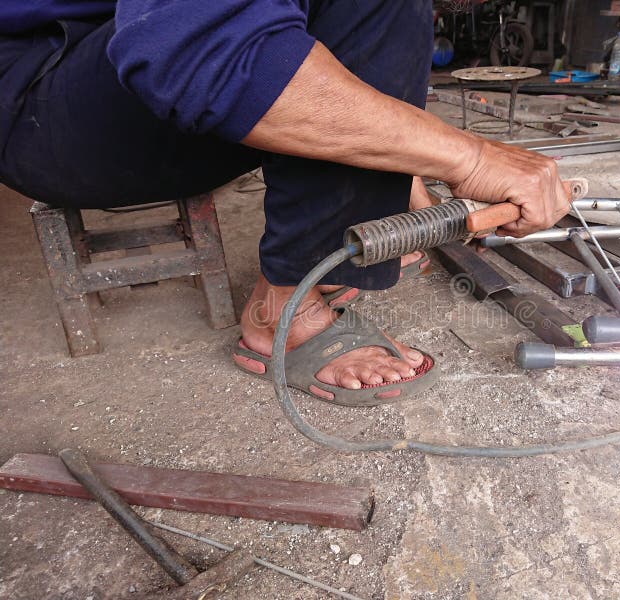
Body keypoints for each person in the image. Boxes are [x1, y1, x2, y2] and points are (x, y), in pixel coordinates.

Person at [0, 1, 570, 405]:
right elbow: (200, 48)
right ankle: (279, 311)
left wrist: (402, 168)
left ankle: (330, 244)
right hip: (38, 96)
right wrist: (470, 160)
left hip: (140, 51)